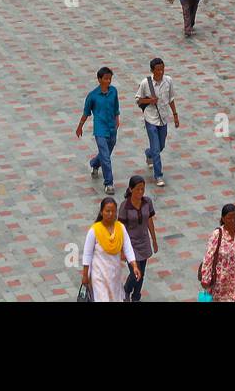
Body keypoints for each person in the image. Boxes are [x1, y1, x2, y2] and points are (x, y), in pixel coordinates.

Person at [81, 196, 140, 302]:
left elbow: (128, 248)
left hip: (115, 275)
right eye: (107, 211)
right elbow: (87, 254)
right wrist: (85, 275)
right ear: (101, 212)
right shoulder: (94, 230)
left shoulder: (120, 228)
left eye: (113, 211)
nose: (110, 214)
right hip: (99, 275)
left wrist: (134, 265)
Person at [77, 67, 120, 195]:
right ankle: (109, 183)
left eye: (110, 79)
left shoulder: (113, 91)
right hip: (100, 129)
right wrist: (80, 126)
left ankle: (94, 163)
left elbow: (116, 107)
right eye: (106, 79)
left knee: (105, 154)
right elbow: (86, 113)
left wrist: (117, 119)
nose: (108, 81)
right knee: (106, 156)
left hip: (112, 128)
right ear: (99, 79)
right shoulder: (92, 96)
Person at [136, 58, 178, 189]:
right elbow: (138, 100)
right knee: (156, 146)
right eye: (158, 70)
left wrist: (175, 115)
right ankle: (158, 175)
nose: (160, 72)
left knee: (160, 146)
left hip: (163, 118)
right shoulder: (145, 83)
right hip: (150, 119)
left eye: (162, 69)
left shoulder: (168, 81)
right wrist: (149, 100)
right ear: (152, 70)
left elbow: (171, 98)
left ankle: (149, 154)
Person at [198, 204, 235, 302]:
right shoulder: (217, 234)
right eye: (229, 218)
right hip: (220, 282)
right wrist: (205, 279)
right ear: (223, 218)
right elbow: (208, 258)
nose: (233, 221)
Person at [118, 176, 158, 301]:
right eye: (137, 189)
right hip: (131, 244)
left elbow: (149, 221)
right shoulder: (125, 206)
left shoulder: (147, 202)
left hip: (144, 242)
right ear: (131, 189)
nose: (140, 192)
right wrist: (121, 250)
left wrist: (154, 240)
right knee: (136, 272)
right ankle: (126, 290)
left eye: (142, 189)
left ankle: (136, 296)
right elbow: (121, 228)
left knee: (142, 272)